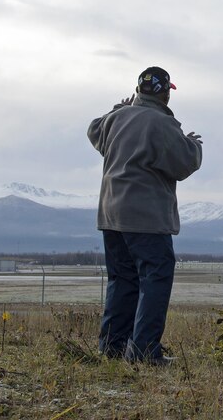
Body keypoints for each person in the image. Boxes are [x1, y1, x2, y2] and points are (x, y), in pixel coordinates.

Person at [87, 66, 203, 365]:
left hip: (111, 215)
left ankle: (112, 348)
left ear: (138, 90)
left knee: (122, 280)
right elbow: (184, 162)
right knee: (155, 278)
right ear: (166, 93)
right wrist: (193, 144)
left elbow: (94, 130)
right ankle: (143, 352)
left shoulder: (115, 119)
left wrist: (120, 108)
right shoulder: (162, 124)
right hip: (146, 219)